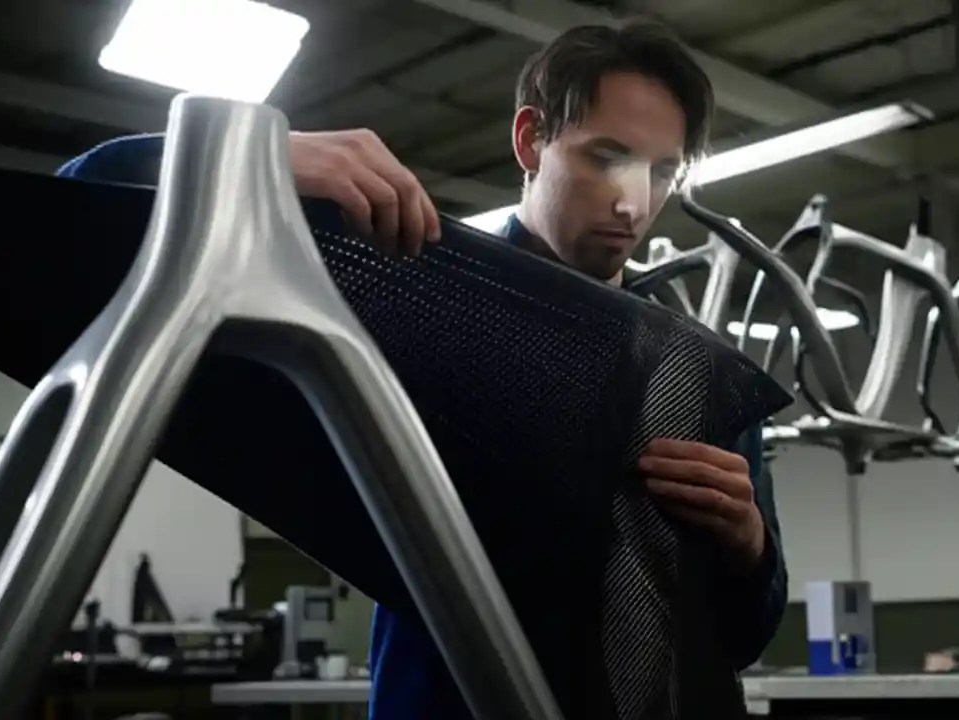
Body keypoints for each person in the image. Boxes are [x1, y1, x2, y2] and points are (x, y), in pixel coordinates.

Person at [57, 20, 787, 719]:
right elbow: (75, 212)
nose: (635, 202)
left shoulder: (701, 376)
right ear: (530, 140)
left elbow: (746, 636)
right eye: (607, 158)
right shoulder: (418, 294)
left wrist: (747, 543)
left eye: (661, 172)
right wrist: (250, 155)